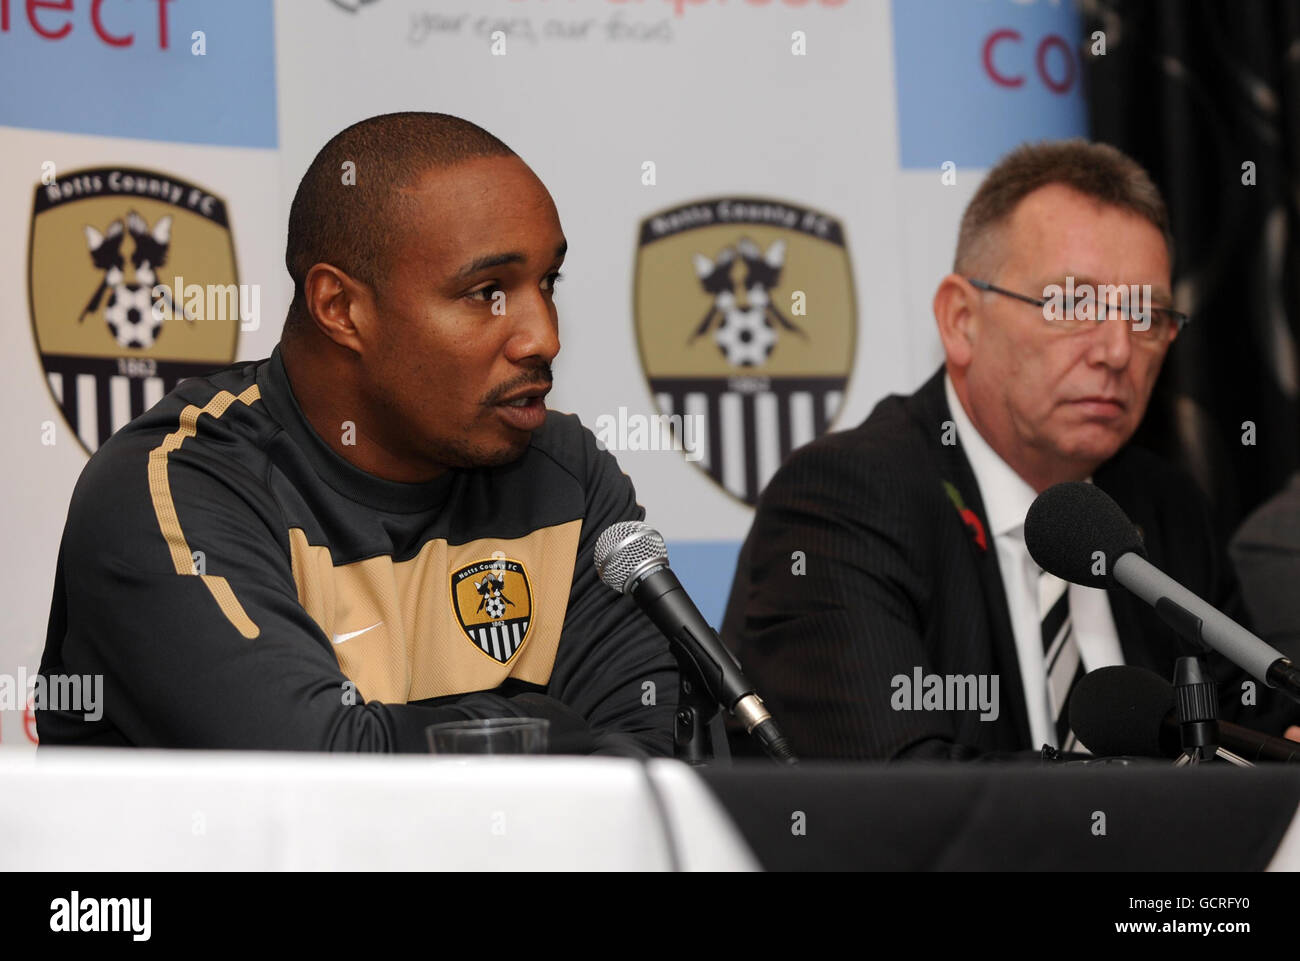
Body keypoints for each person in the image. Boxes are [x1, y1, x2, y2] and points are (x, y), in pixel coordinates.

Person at [37, 112, 677, 756]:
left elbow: (645, 770)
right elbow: (315, 772)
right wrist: (548, 724)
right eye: (487, 292)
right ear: (341, 309)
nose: (544, 337)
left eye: (548, 282)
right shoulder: (173, 485)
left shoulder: (564, 474)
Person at [721, 139, 1300, 760]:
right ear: (960, 320)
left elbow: (1257, 738)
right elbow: (900, 790)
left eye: (1146, 315)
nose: (1116, 351)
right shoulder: (843, 501)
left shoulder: (1166, 511)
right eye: (1072, 303)